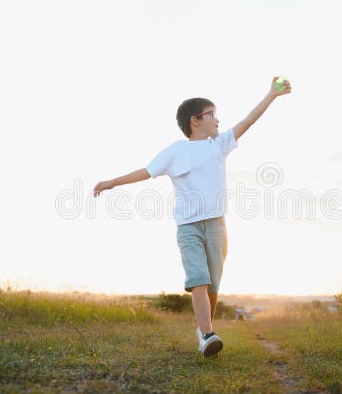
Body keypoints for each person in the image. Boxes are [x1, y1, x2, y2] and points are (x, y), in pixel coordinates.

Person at [93, 77, 292, 356]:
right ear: (195, 120)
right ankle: (208, 335)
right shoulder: (175, 151)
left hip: (216, 225)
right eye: (212, 114)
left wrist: (271, 94)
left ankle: (203, 328)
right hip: (188, 226)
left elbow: (249, 121)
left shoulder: (218, 145)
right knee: (198, 278)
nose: (218, 120)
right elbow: (145, 172)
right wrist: (111, 182)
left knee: (213, 283)